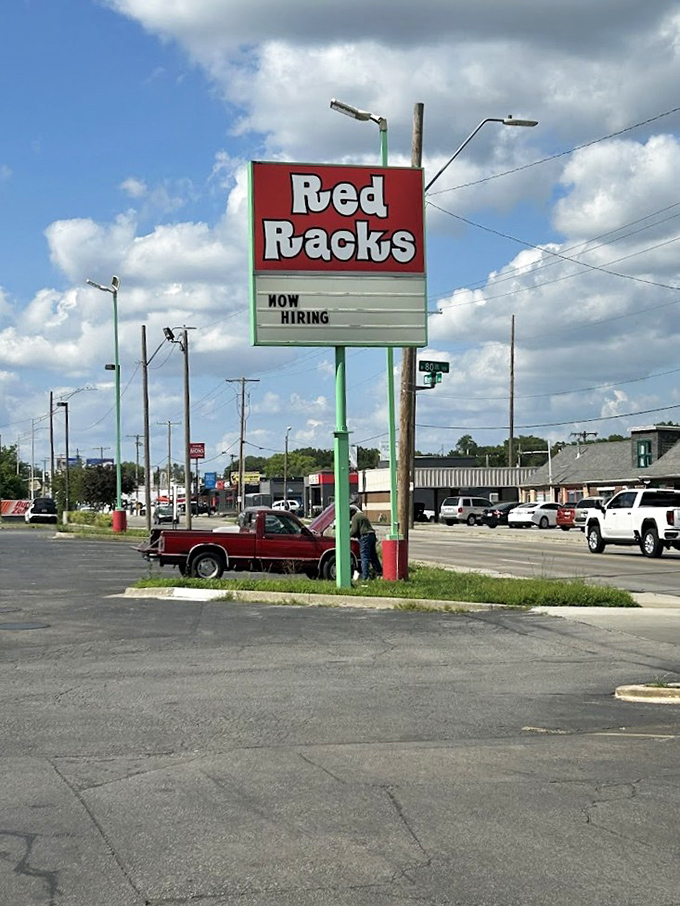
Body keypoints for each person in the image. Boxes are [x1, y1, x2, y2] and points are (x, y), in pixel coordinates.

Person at [350, 506, 383, 581]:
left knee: (364, 557)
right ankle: (379, 571)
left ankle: (365, 577)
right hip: (372, 535)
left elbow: (354, 530)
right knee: (373, 556)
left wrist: (347, 535)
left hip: (365, 537)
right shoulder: (362, 516)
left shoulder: (355, 517)